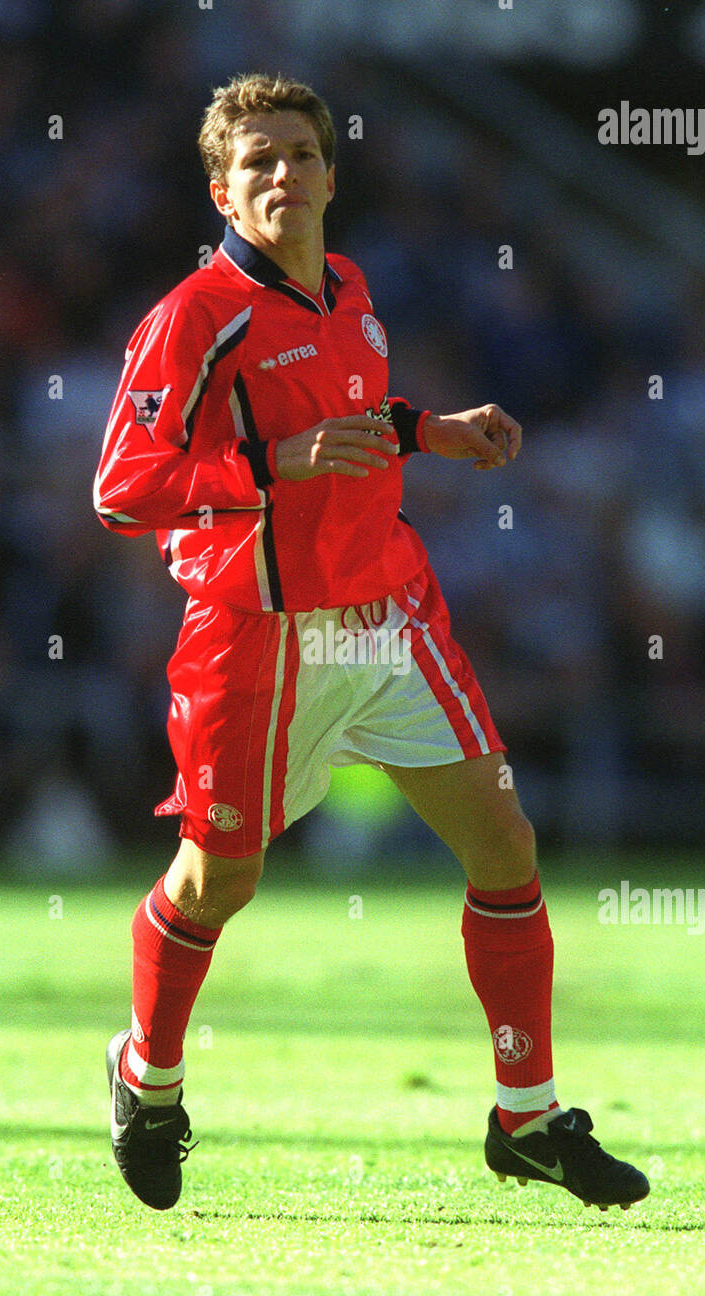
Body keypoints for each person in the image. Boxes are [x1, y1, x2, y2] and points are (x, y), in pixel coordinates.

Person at [94, 72, 649, 1215]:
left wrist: (427, 432)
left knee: (504, 845)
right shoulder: (192, 319)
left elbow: (345, 420)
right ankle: (145, 1077)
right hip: (256, 639)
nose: (281, 174)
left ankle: (526, 1115)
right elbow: (121, 487)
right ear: (221, 190)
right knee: (216, 882)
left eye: (298, 153)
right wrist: (267, 469)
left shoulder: (348, 288)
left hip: (389, 618)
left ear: (331, 176)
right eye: (256, 161)